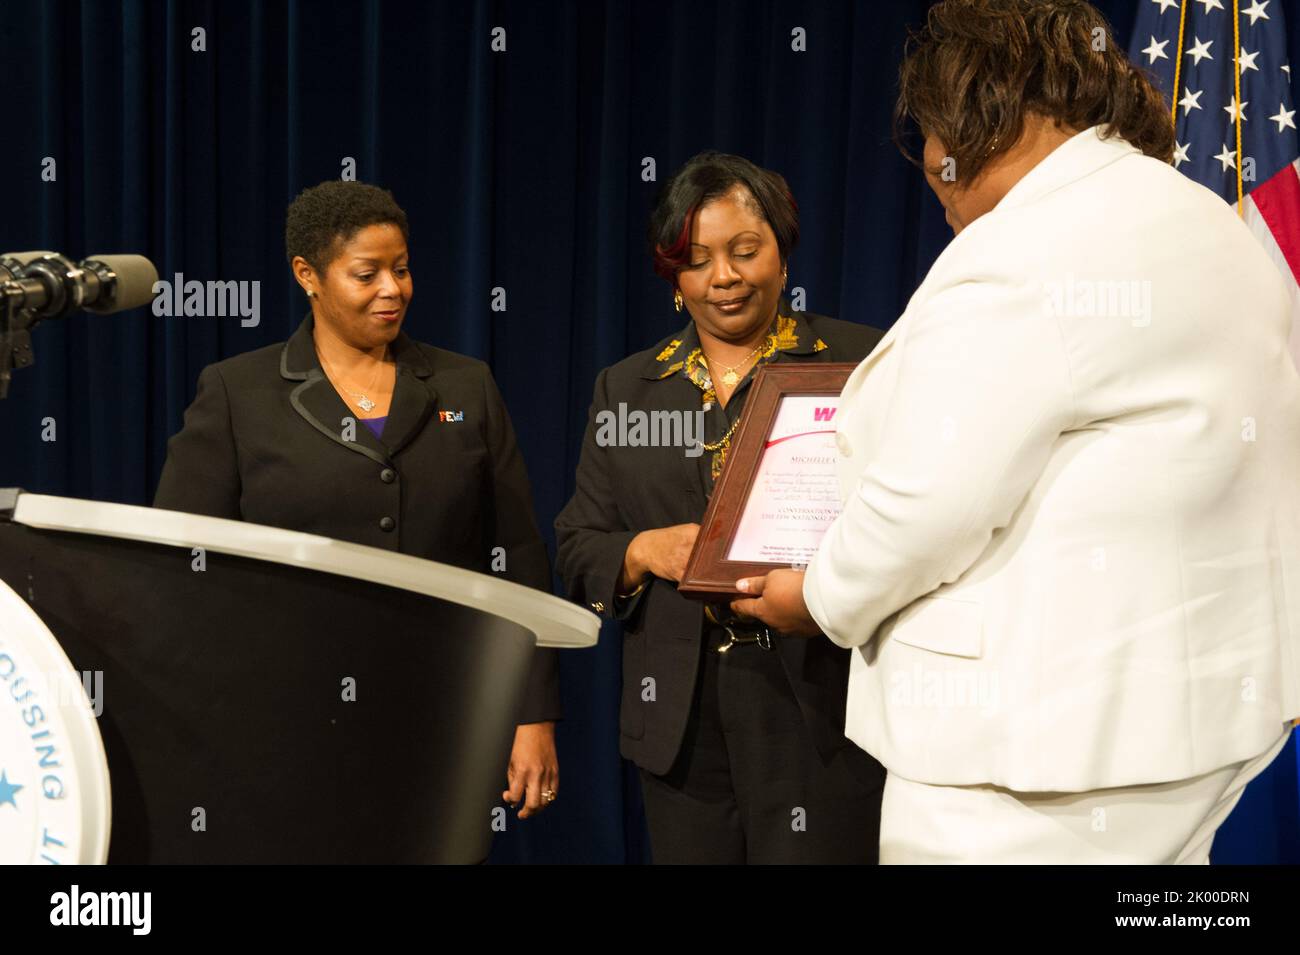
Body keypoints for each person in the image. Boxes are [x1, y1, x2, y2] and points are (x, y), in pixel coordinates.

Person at [733, 0, 1300, 863]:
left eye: (927, 140)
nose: (931, 175)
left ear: (977, 113)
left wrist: (815, 597)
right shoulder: (1217, 231)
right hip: (1192, 737)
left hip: (1025, 763)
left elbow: (929, 505)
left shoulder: (1024, 253)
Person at [154, 180, 561, 820]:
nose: (393, 289)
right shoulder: (238, 392)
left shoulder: (466, 384)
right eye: (366, 274)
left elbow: (517, 554)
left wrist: (532, 712)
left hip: (444, 711)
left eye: (401, 270)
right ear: (307, 275)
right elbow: (181, 568)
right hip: (281, 719)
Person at [555, 152, 886, 863]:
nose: (725, 277)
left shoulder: (859, 364)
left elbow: (906, 523)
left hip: (820, 703)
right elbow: (578, 544)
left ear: (782, 253)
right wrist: (644, 551)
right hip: (680, 718)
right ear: (674, 276)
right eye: (698, 260)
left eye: (744, 251)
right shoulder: (627, 388)